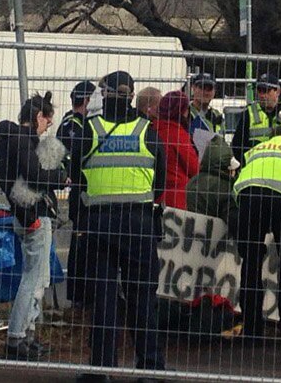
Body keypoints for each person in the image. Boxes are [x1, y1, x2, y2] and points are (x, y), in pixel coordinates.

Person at [70, 70, 167, 381]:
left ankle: (101, 369)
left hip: (99, 223)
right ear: (130, 95)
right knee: (142, 299)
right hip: (139, 223)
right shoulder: (147, 131)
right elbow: (161, 180)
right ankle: (150, 368)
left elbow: (75, 175)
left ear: (105, 93)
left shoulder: (89, 129)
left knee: (105, 299)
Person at [0, 92, 68, 360]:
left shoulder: (8, 143)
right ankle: (16, 338)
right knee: (32, 279)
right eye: (47, 121)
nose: (48, 127)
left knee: (38, 279)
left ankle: (27, 335)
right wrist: (59, 177)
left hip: (24, 215)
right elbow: (34, 175)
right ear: (38, 117)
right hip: (34, 215)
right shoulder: (23, 142)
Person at [233, 122, 281, 345]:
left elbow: (239, 176)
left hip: (249, 198)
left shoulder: (254, 150)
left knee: (251, 262)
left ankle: (251, 330)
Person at [56, 80, 96, 308]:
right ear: (87, 100)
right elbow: (74, 159)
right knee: (80, 245)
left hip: (85, 192)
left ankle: (83, 293)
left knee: (87, 244)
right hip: (80, 192)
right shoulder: (73, 125)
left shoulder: (80, 123)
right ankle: (79, 296)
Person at [232, 72, 281, 162]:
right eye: (259, 90)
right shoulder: (249, 114)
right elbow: (237, 146)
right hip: (256, 169)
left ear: (278, 91)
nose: (262, 95)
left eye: (266, 90)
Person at [153, 90, 199, 210]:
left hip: (155, 194)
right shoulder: (178, 134)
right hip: (177, 198)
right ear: (183, 111)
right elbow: (194, 168)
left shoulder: (153, 130)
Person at [185, 137, 239, 228]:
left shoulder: (193, 182)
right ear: (225, 167)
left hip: (193, 233)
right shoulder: (224, 187)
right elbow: (233, 221)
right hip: (217, 237)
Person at [187, 73, 223, 137]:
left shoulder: (217, 115)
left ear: (214, 91)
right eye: (202, 87)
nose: (206, 92)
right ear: (193, 88)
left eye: (210, 89)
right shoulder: (185, 112)